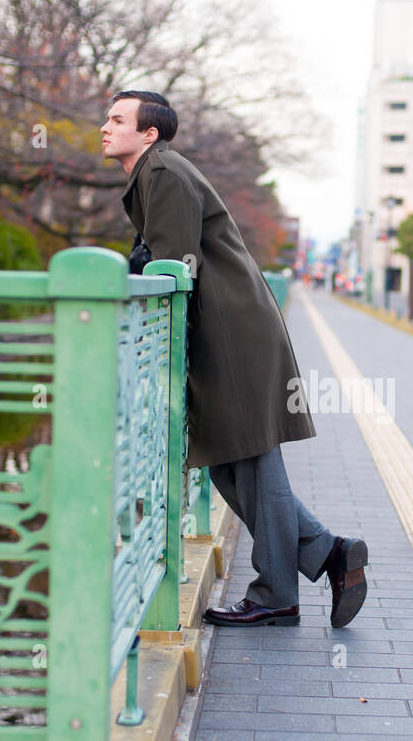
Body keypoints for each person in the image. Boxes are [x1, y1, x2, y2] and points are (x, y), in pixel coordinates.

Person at [100, 90, 368, 628]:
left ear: (148, 133)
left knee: (250, 459)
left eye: (117, 119)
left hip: (231, 334)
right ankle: (327, 554)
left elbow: (175, 269)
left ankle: (276, 594)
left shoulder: (164, 173)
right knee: (227, 461)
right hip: (228, 328)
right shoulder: (154, 171)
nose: (104, 127)